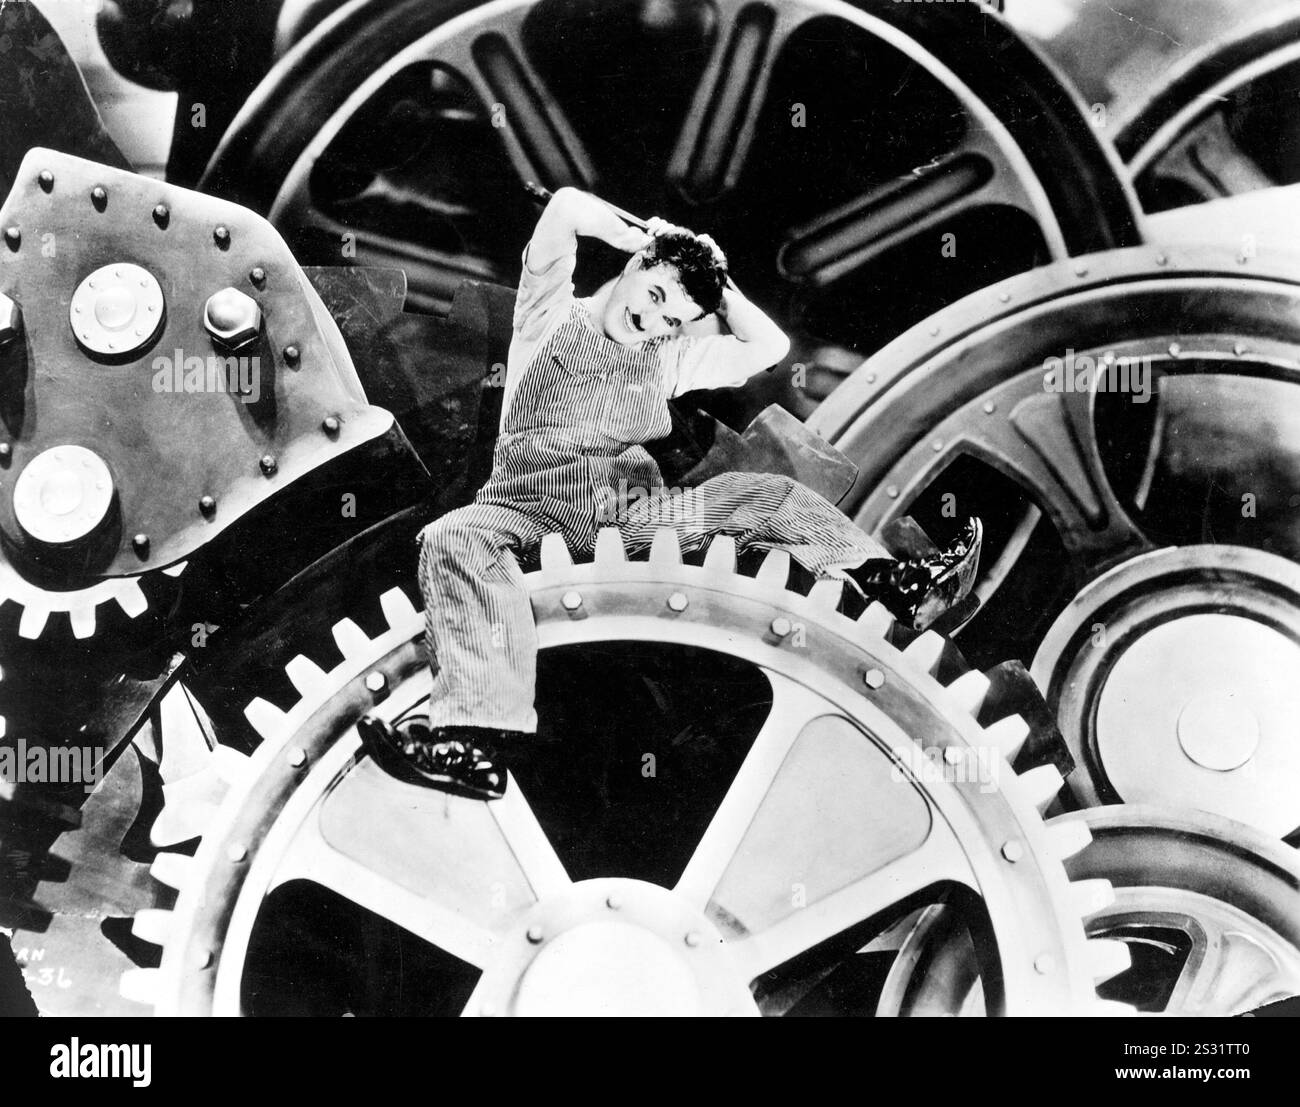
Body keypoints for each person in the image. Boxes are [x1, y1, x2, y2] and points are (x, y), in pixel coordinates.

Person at [359, 187, 980, 800]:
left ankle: (891, 583)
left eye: (672, 319)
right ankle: (476, 741)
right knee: (451, 537)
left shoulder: (670, 360)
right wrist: (648, 233)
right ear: (634, 266)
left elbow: (770, 348)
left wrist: (718, 284)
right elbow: (567, 209)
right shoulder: (547, 314)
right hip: (523, 511)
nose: (650, 320)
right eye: (653, 293)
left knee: (758, 495)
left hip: (624, 521)